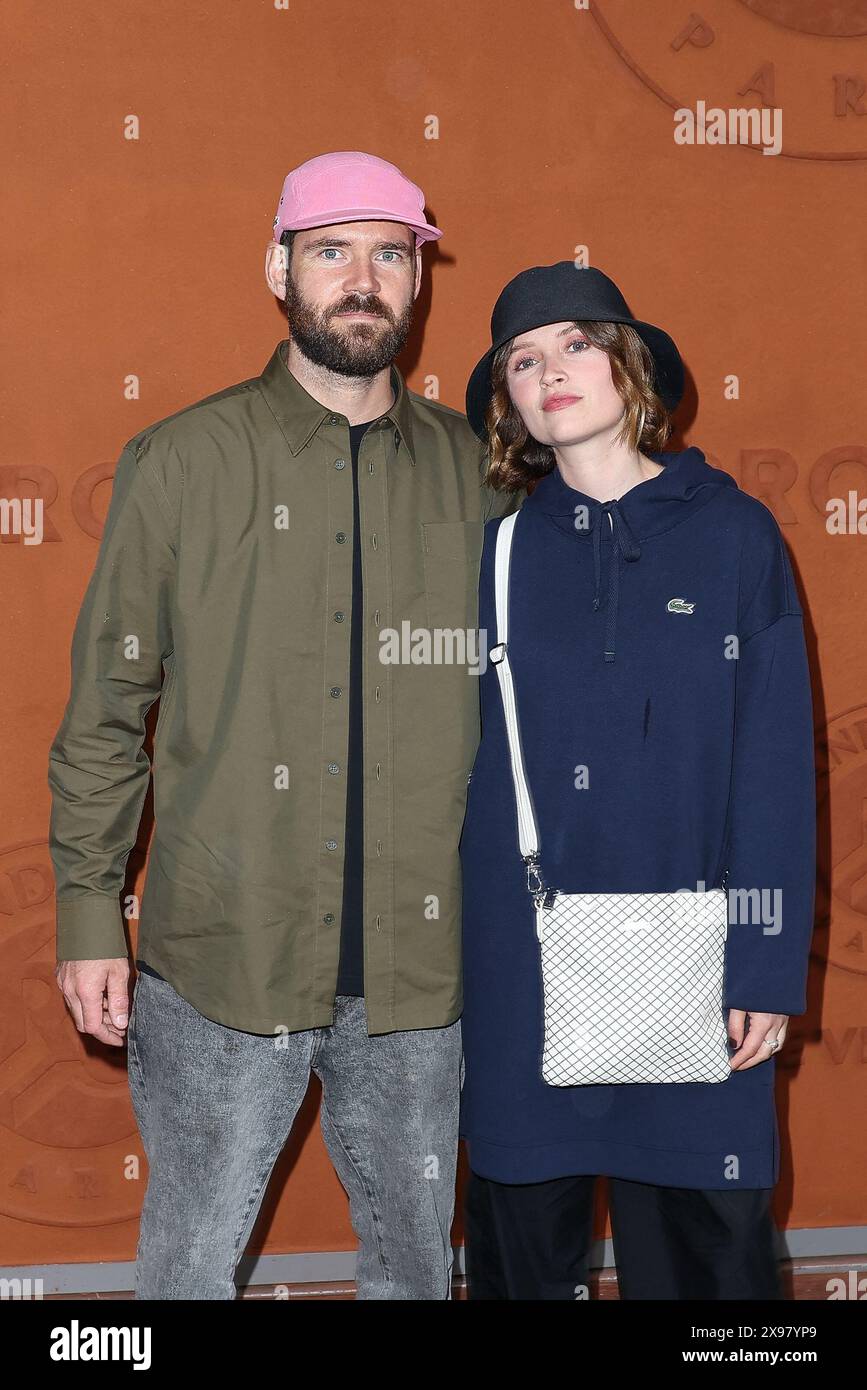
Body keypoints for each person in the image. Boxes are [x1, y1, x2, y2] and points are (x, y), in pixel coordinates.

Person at [48, 151, 520, 1300]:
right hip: (224, 959)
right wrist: (86, 915)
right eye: (331, 251)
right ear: (279, 269)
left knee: (417, 1268)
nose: (363, 279)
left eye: (390, 254)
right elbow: (109, 712)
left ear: (418, 282)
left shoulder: (483, 478)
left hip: (421, 969)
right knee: (186, 1274)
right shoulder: (182, 463)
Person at [457, 261, 817, 1300]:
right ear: (510, 404)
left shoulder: (734, 533)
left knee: (718, 1274)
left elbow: (775, 766)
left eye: (575, 343)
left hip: (698, 966)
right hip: (523, 970)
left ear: (630, 366)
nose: (548, 370)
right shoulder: (494, 558)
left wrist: (762, 965)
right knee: (524, 1264)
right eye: (523, 359)